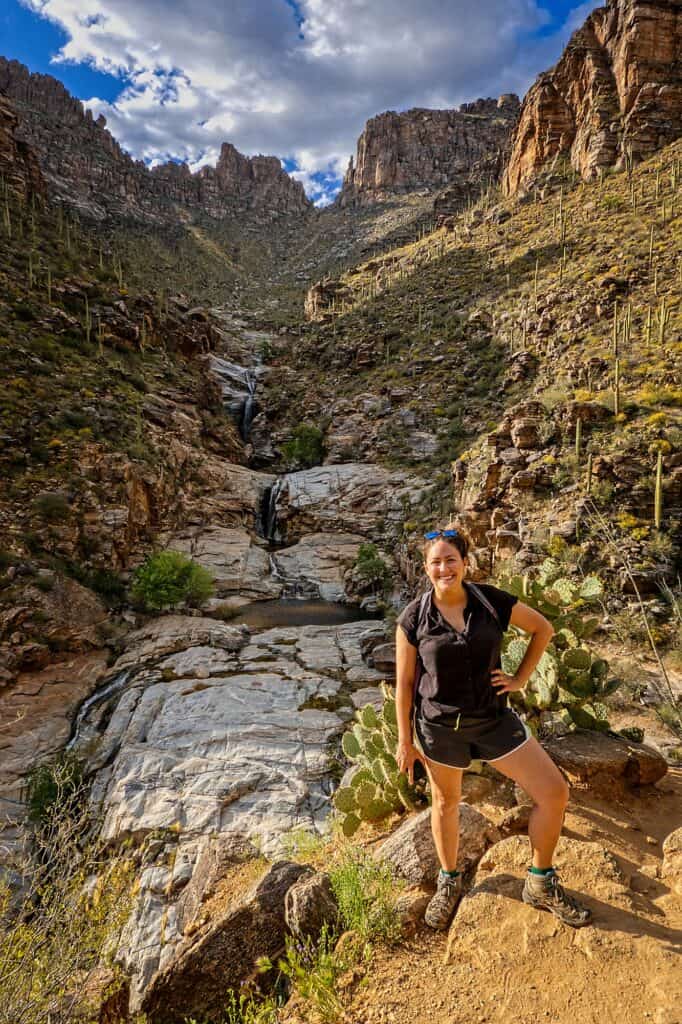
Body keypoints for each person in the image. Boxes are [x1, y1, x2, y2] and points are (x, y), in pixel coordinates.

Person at [395, 526, 592, 931]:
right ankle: (448, 881)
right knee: (446, 802)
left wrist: (519, 679)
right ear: (425, 568)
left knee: (554, 792)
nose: (444, 568)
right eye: (436, 562)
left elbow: (543, 629)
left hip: (492, 719)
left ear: (465, 563)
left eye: (451, 560)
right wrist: (405, 741)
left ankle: (539, 882)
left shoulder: (490, 600)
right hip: (439, 727)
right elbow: (404, 683)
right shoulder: (413, 617)